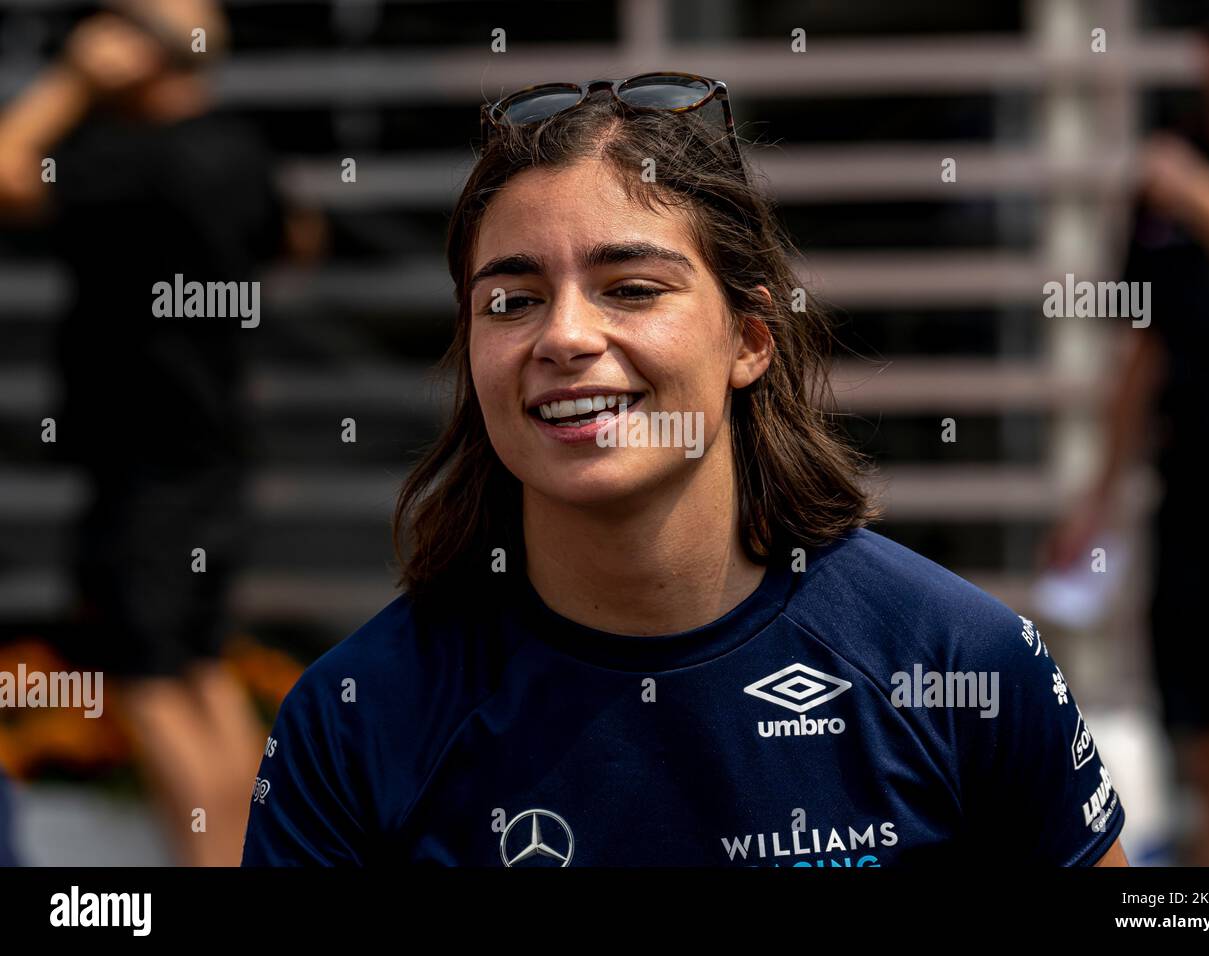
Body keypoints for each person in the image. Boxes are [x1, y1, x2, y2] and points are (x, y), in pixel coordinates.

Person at [242, 73, 1128, 866]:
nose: (564, 337)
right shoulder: (357, 716)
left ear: (748, 341)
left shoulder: (956, 660)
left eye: (630, 287)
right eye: (511, 301)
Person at [0, 0, 280, 865]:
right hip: (210, 455)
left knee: (153, 678)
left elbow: (6, 173)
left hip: (148, 467)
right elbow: (292, 237)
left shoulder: (136, 159)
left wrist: (72, 83)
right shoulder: (236, 152)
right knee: (197, 667)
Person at [1044, 0, 1209, 866]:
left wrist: (1200, 196)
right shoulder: (1166, 174)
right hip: (1202, 502)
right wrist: (1097, 502)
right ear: (1208, 55)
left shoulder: (1184, 179)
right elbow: (1140, 356)